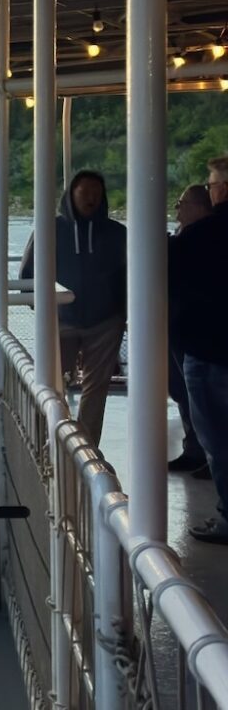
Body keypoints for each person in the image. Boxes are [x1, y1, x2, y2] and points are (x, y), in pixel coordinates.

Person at [21, 169, 126, 446]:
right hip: (61, 318)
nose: (91, 198)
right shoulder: (50, 229)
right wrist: (43, 310)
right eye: (84, 192)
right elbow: (29, 273)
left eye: (96, 193)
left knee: (97, 386)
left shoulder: (117, 234)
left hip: (106, 321)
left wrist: (124, 313)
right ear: (71, 195)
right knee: (52, 380)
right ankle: (48, 439)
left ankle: (88, 447)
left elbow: (129, 275)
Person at [175, 157, 228, 542]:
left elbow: (167, 283)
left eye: (211, 185)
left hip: (209, 350)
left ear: (222, 188)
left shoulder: (200, 236)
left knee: (219, 441)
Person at [170, 182, 214, 475]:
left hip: (194, 333)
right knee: (183, 391)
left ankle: (204, 454)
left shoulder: (196, 243)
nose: (177, 212)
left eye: (180, 205)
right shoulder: (183, 239)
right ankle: (196, 449)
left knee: (196, 394)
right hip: (181, 328)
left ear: (198, 208)